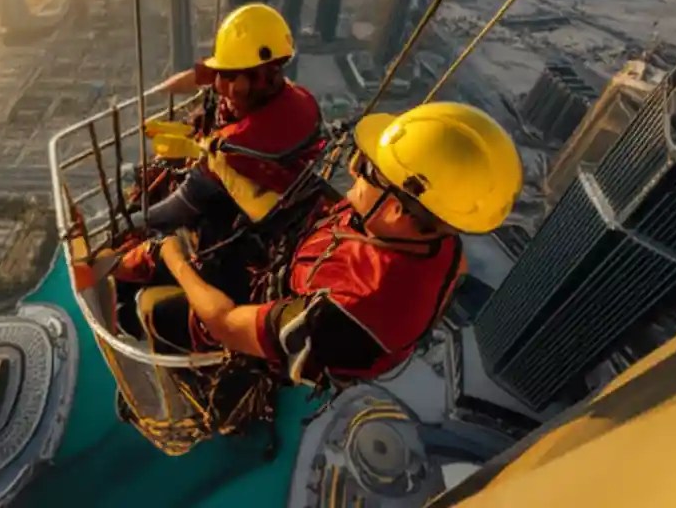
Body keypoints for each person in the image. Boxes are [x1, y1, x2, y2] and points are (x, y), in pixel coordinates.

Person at [140, 102, 523, 384]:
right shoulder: (428, 240)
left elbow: (225, 324)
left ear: (396, 209)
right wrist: (218, 161)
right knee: (224, 222)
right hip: (301, 270)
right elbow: (306, 211)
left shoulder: (352, 311)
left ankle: (198, 379)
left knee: (150, 307)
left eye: (365, 167)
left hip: (292, 328)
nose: (353, 169)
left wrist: (173, 257)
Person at [100, 3, 324, 295]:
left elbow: (184, 202)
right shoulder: (293, 96)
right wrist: (156, 93)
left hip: (247, 216)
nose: (220, 85)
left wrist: (130, 222)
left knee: (175, 238)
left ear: (254, 78)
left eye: (228, 77)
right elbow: (201, 75)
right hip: (287, 191)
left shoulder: (238, 143)